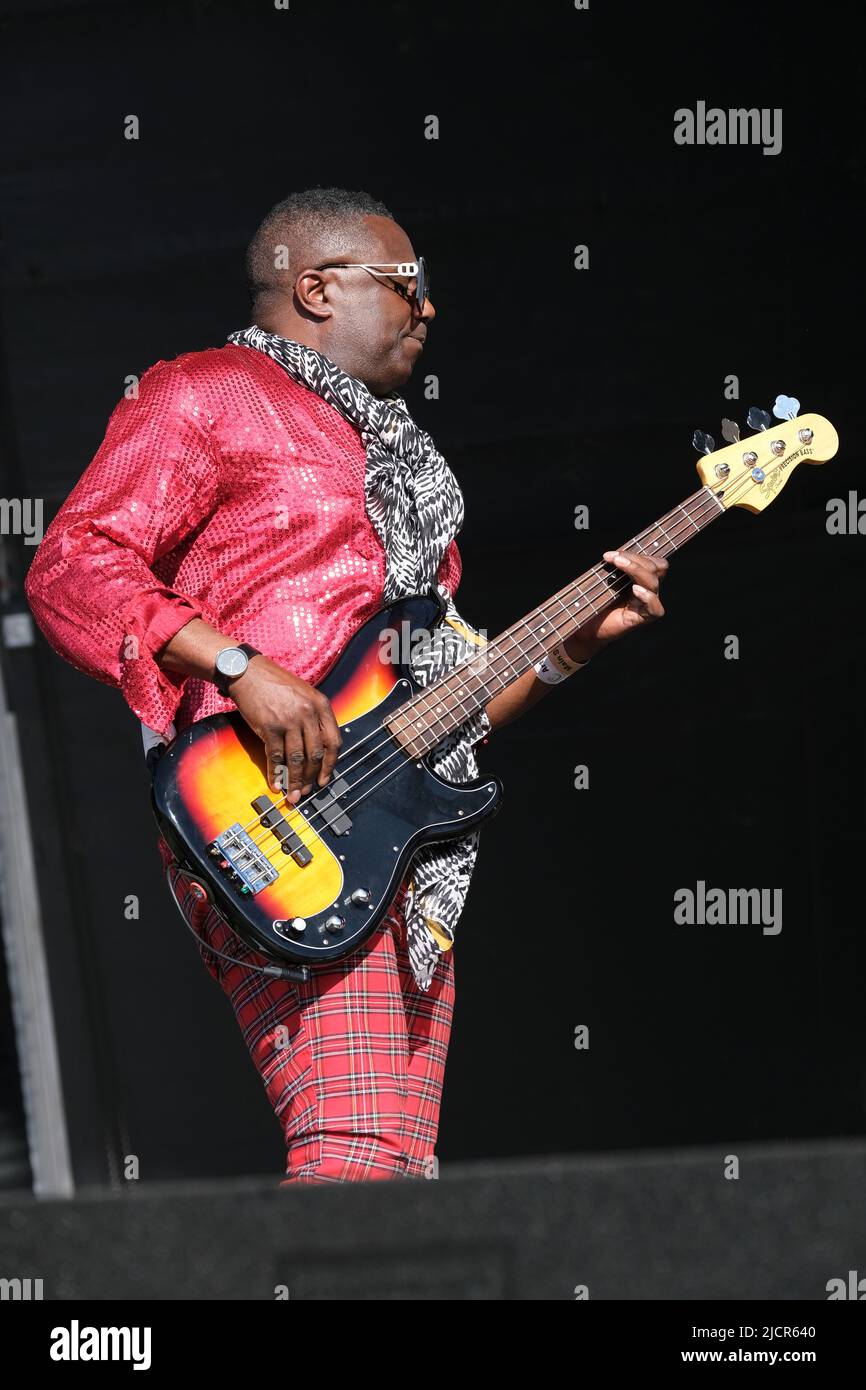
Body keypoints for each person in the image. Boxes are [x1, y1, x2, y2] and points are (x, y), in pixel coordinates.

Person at [24, 187, 667, 1184]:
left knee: (395, 1164)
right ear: (317, 287)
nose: (428, 310)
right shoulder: (204, 392)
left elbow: (440, 709)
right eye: (407, 286)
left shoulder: (411, 473)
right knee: (356, 1146)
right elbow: (73, 565)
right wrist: (239, 668)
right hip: (265, 811)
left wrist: (565, 650)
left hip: (390, 842)